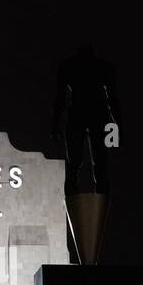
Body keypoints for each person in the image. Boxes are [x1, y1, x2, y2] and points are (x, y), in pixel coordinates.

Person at [52, 45, 120, 196]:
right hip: (93, 114)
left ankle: (83, 201)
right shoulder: (104, 67)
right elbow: (112, 101)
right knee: (90, 165)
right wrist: (118, 127)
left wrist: (55, 125)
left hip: (83, 114)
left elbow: (60, 100)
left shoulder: (68, 66)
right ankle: (90, 201)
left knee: (79, 165)